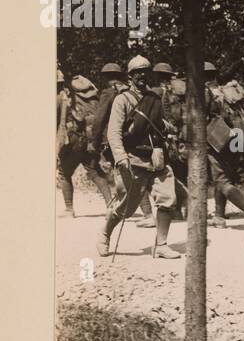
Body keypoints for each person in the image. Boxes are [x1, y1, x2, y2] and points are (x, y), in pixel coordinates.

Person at [95, 57, 181, 259]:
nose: (142, 76)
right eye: (137, 72)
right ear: (131, 76)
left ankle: (161, 244)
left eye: (145, 72)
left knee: (167, 199)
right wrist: (120, 157)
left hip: (157, 158)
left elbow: (159, 123)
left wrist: (171, 129)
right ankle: (105, 233)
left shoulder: (155, 98)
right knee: (127, 207)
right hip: (133, 159)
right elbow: (114, 132)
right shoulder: (122, 100)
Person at [203, 60, 244, 229]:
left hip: (219, 138)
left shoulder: (207, 93)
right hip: (237, 135)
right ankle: (221, 216)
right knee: (239, 172)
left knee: (221, 179)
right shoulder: (229, 90)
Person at [56, 69, 112, 216]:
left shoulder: (64, 98)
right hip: (89, 143)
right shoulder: (96, 101)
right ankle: (110, 206)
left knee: (63, 173)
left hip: (72, 142)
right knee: (95, 172)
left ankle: (69, 209)